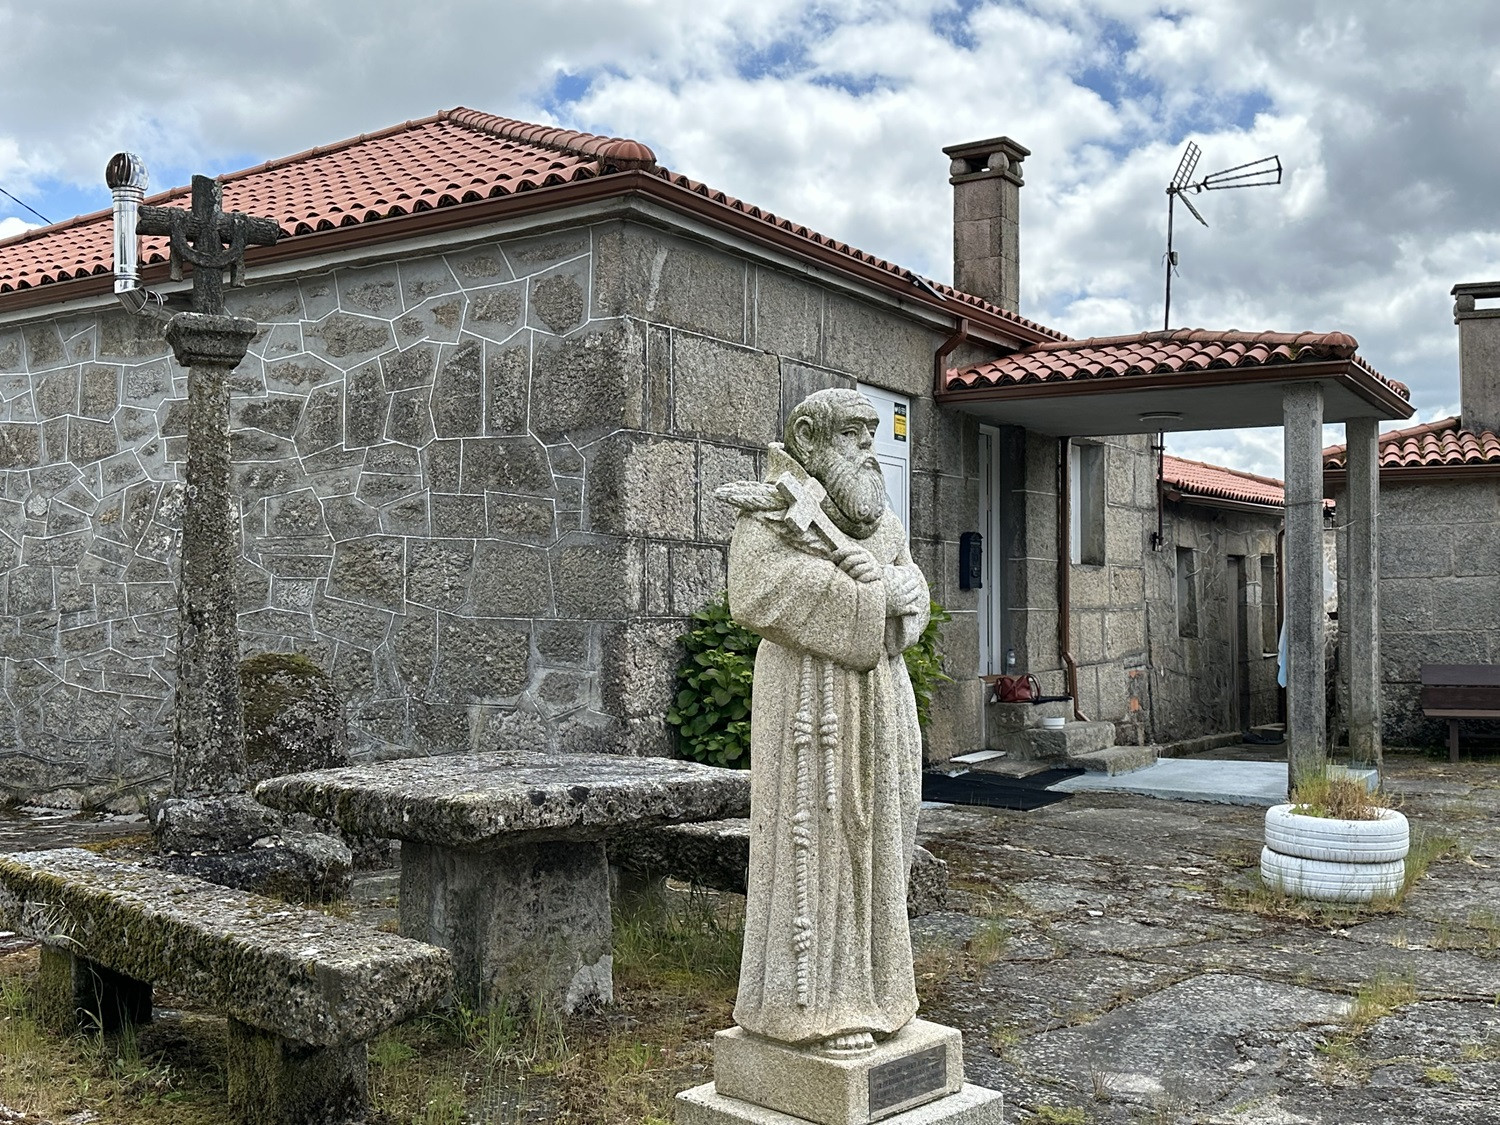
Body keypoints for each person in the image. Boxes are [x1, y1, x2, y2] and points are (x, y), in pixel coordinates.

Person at [719, 388, 930, 1054]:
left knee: (882, 840)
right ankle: (820, 1010)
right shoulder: (778, 511)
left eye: (873, 436)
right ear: (810, 439)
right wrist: (869, 596)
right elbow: (754, 591)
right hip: (813, 709)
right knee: (826, 842)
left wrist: (907, 593)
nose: (869, 449)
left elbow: (909, 584)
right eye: (852, 437)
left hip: (881, 703)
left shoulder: (879, 519)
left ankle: (883, 994)